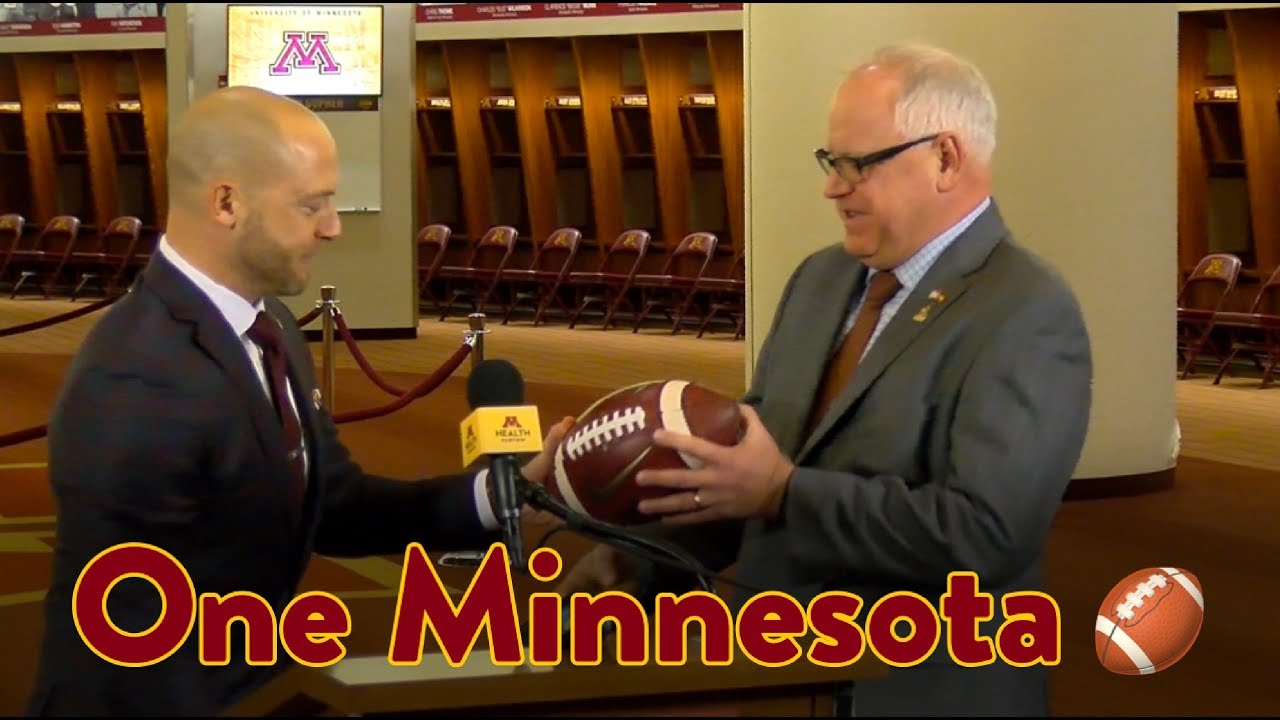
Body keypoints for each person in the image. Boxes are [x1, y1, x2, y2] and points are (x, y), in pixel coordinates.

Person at [554, 44, 1092, 716]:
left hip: (924, 694)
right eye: (830, 162)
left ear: (946, 159)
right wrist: (644, 561)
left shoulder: (1027, 310)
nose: (833, 186)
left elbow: (984, 534)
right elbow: (746, 473)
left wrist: (784, 493)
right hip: (788, 678)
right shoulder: (820, 280)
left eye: (857, 165)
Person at [26, 86, 573, 716]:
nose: (334, 226)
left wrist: (502, 494)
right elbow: (135, 630)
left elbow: (333, 505)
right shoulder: (139, 376)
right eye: (312, 204)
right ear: (226, 203)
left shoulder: (272, 324)